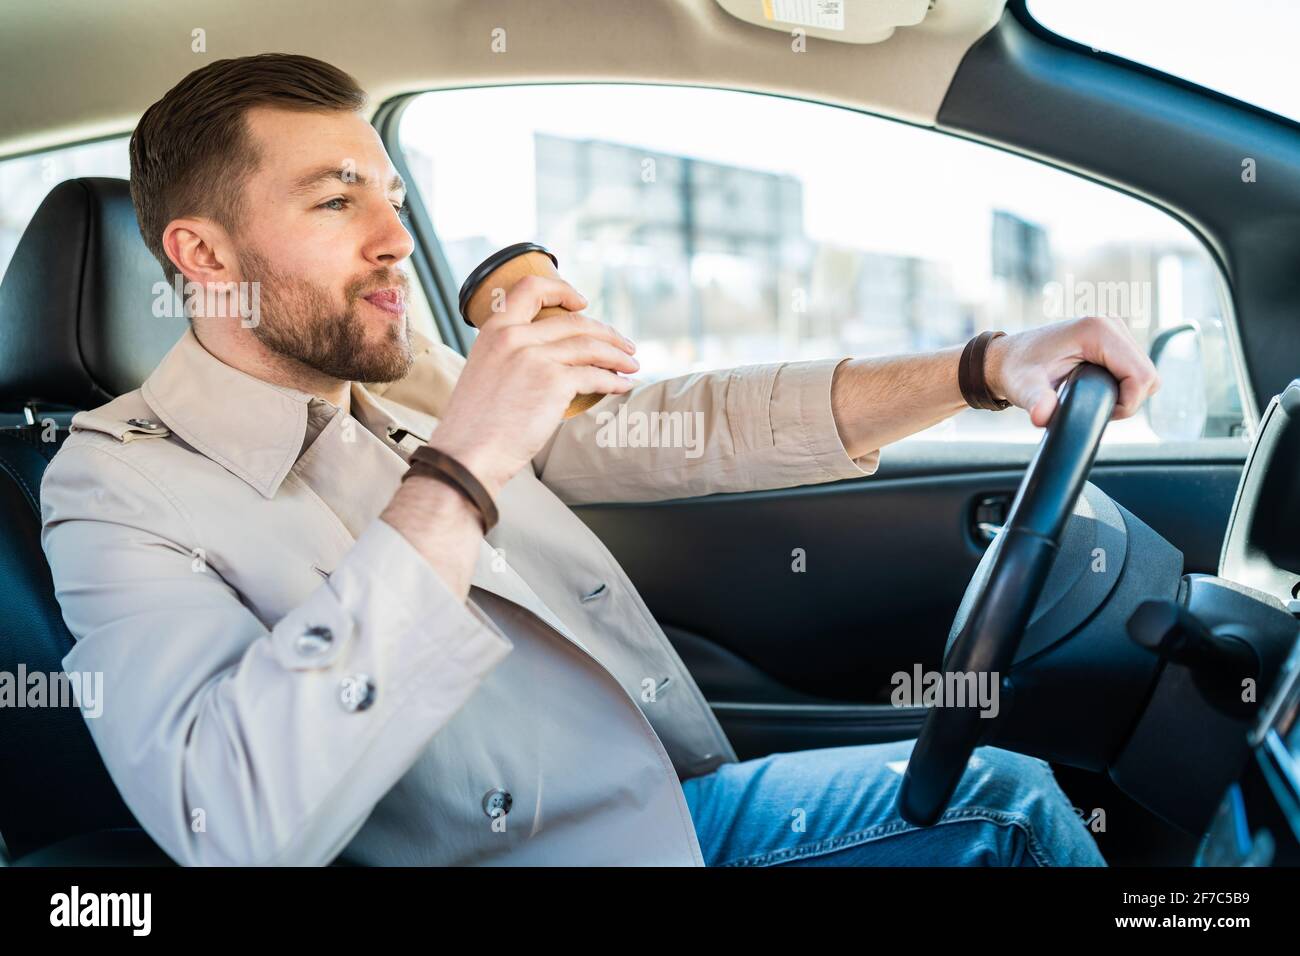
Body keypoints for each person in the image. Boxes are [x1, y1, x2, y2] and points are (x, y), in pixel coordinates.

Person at [40, 53, 1156, 866]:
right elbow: (228, 818)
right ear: (203, 253)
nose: (397, 237)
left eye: (390, 193)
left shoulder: (396, 383)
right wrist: (467, 458)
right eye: (338, 201)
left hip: (670, 806)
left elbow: (684, 423)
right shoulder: (115, 485)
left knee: (1004, 789)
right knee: (1004, 813)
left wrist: (980, 363)